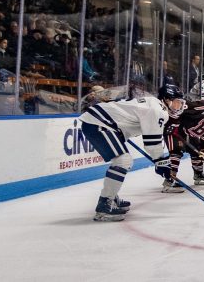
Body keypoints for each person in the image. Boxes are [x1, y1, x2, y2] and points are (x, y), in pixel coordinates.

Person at [77, 84, 180, 221]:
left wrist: (160, 161)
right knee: (123, 160)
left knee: (121, 160)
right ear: (167, 99)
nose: (178, 107)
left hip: (101, 122)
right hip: (99, 123)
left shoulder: (154, 104)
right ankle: (105, 204)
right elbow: (152, 143)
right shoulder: (158, 110)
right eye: (177, 102)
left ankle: (111, 197)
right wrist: (161, 162)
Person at [161, 89, 204, 193]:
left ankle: (198, 174)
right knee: (176, 151)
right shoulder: (201, 106)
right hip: (174, 128)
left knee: (198, 150)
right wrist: (172, 122)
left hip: (190, 131)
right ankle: (169, 180)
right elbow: (179, 107)